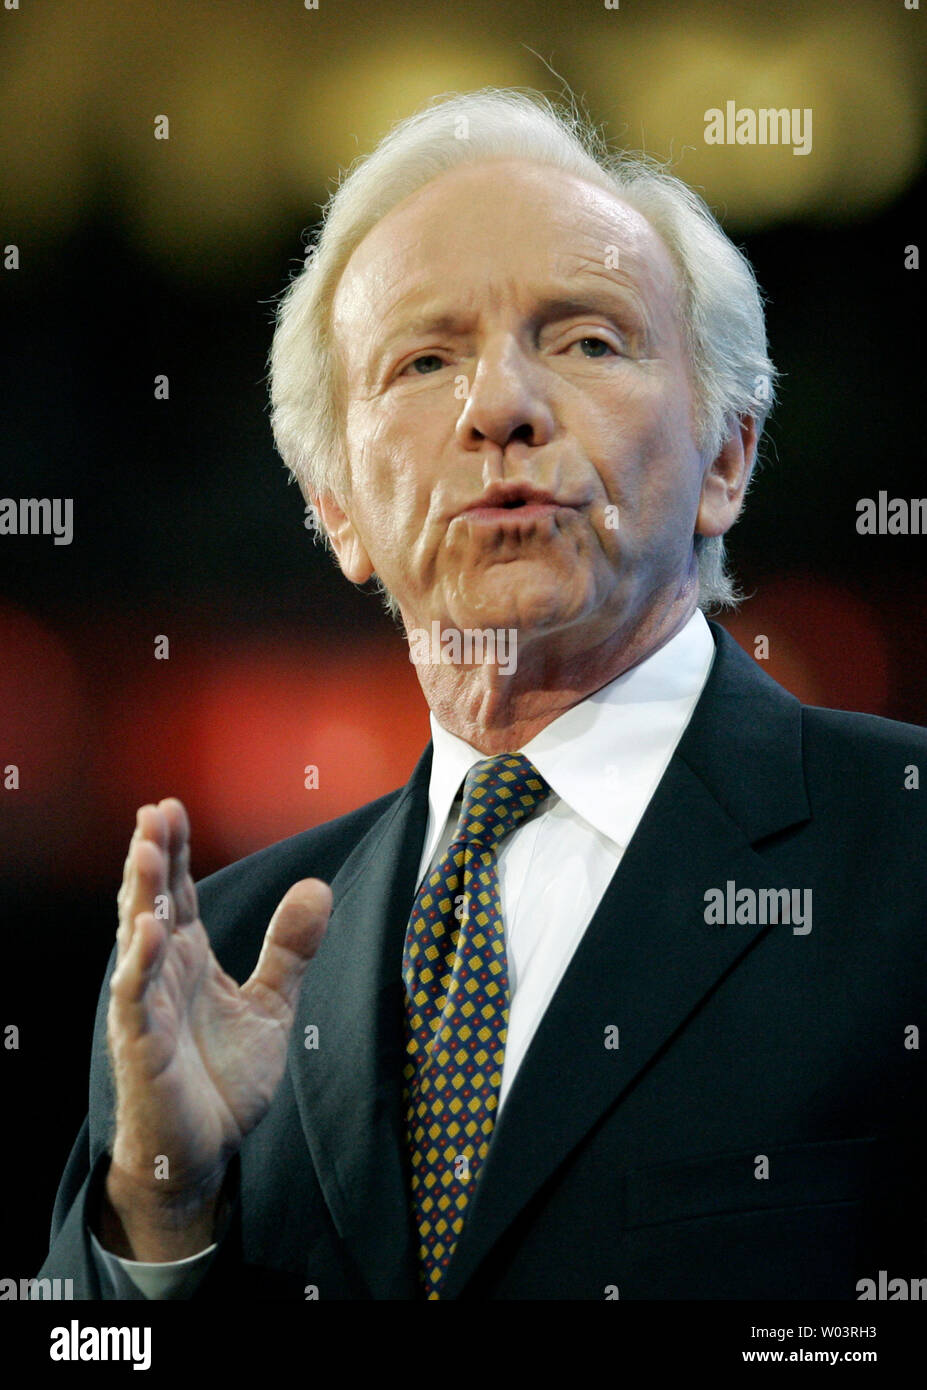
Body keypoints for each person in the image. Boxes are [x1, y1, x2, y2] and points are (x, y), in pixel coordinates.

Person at [39, 88, 927, 1301]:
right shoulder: (225, 952)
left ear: (727, 456)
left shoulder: (907, 848)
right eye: (425, 358)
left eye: (587, 340)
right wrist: (159, 1212)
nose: (499, 407)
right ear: (339, 504)